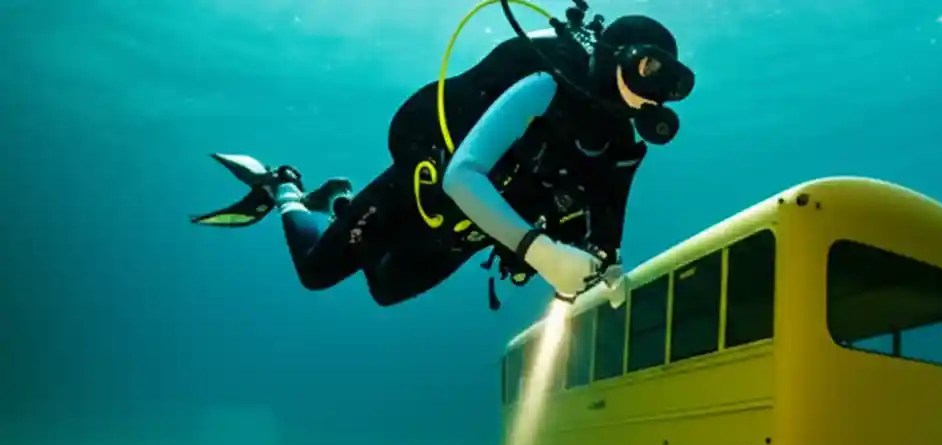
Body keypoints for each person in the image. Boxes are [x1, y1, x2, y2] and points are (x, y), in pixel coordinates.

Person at [191, 1, 694, 310]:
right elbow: (463, 176)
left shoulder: (621, 147)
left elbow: (607, 227)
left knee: (385, 289)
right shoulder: (547, 82)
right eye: (650, 67)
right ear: (616, 56)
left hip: (470, 234)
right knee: (316, 274)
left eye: (669, 83)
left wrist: (606, 273)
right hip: (422, 192)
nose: (655, 92)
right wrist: (542, 252)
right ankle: (286, 187)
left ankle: (340, 204)